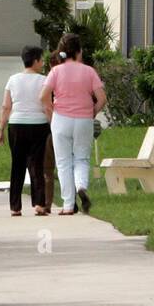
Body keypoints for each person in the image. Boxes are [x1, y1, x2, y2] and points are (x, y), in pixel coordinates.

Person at [41, 33, 106, 216]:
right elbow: (102, 99)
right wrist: (91, 112)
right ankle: (81, 186)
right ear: (79, 51)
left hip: (61, 119)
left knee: (63, 162)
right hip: (84, 119)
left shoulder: (56, 71)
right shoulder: (89, 71)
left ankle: (68, 205)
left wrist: (52, 110)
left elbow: (43, 96)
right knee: (81, 159)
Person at [0, 44, 50, 217]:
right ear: (35, 61)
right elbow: (47, 105)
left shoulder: (13, 79)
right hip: (39, 124)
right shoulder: (44, 80)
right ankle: (40, 204)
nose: (42, 63)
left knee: (17, 165)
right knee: (36, 164)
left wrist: (1, 129)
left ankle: (15, 206)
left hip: (17, 124)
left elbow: (6, 106)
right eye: (41, 60)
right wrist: (53, 124)